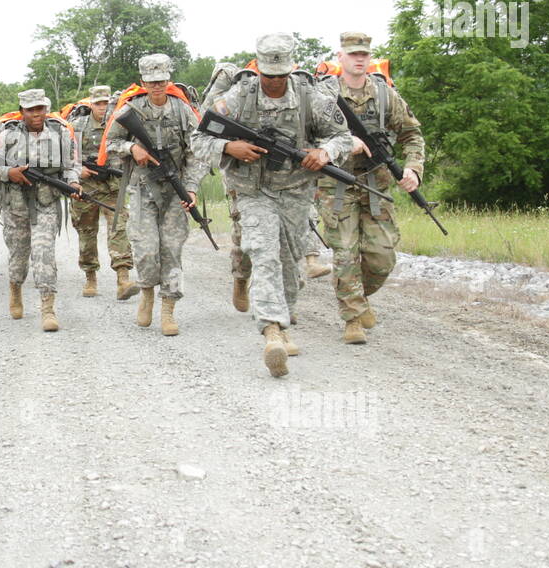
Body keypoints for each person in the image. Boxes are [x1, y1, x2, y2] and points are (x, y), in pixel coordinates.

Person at [190, 34, 353, 377]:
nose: (275, 82)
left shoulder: (312, 96)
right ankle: (272, 332)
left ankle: (284, 320)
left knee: (291, 263)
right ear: (259, 69)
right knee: (264, 255)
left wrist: (325, 152)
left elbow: (342, 136)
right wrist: (228, 148)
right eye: (269, 75)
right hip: (253, 192)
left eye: (281, 75)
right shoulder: (238, 96)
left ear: (291, 69)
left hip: (296, 192)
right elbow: (199, 138)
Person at [316, 32, 426, 345]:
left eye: (364, 53)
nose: (359, 59)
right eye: (353, 54)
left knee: (382, 257)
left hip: (376, 184)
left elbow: (412, 135)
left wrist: (413, 169)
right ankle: (352, 319)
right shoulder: (322, 95)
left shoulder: (384, 94)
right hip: (335, 184)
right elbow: (304, 139)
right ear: (341, 57)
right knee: (346, 252)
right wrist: (339, 145)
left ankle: (358, 297)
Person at [102, 55, 208, 335]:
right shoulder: (130, 109)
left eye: (161, 81)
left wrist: (192, 187)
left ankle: (168, 309)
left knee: (172, 249)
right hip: (142, 188)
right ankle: (147, 293)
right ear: (143, 83)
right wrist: (131, 149)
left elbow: (197, 152)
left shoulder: (181, 110)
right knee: (146, 248)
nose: (157, 86)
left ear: (168, 80)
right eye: (151, 82)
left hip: (175, 190)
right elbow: (111, 143)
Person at [0, 89, 81, 332]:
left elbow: (71, 166)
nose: (36, 114)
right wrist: (9, 173)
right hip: (15, 206)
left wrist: (74, 182)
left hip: (46, 203)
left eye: (40, 109)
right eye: (31, 110)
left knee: (44, 253)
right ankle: (15, 288)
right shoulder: (4, 138)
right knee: (18, 257)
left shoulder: (61, 134)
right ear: (22, 112)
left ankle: (48, 308)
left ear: (45, 109)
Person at [68, 85, 136, 300]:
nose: (102, 107)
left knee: (118, 229)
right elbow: (64, 156)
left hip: (112, 188)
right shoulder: (77, 126)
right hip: (85, 189)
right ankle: (90, 276)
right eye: (98, 103)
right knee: (87, 233)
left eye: (106, 103)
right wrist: (80, 170)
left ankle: (123, 278)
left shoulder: (119, 125)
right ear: (91, 104)